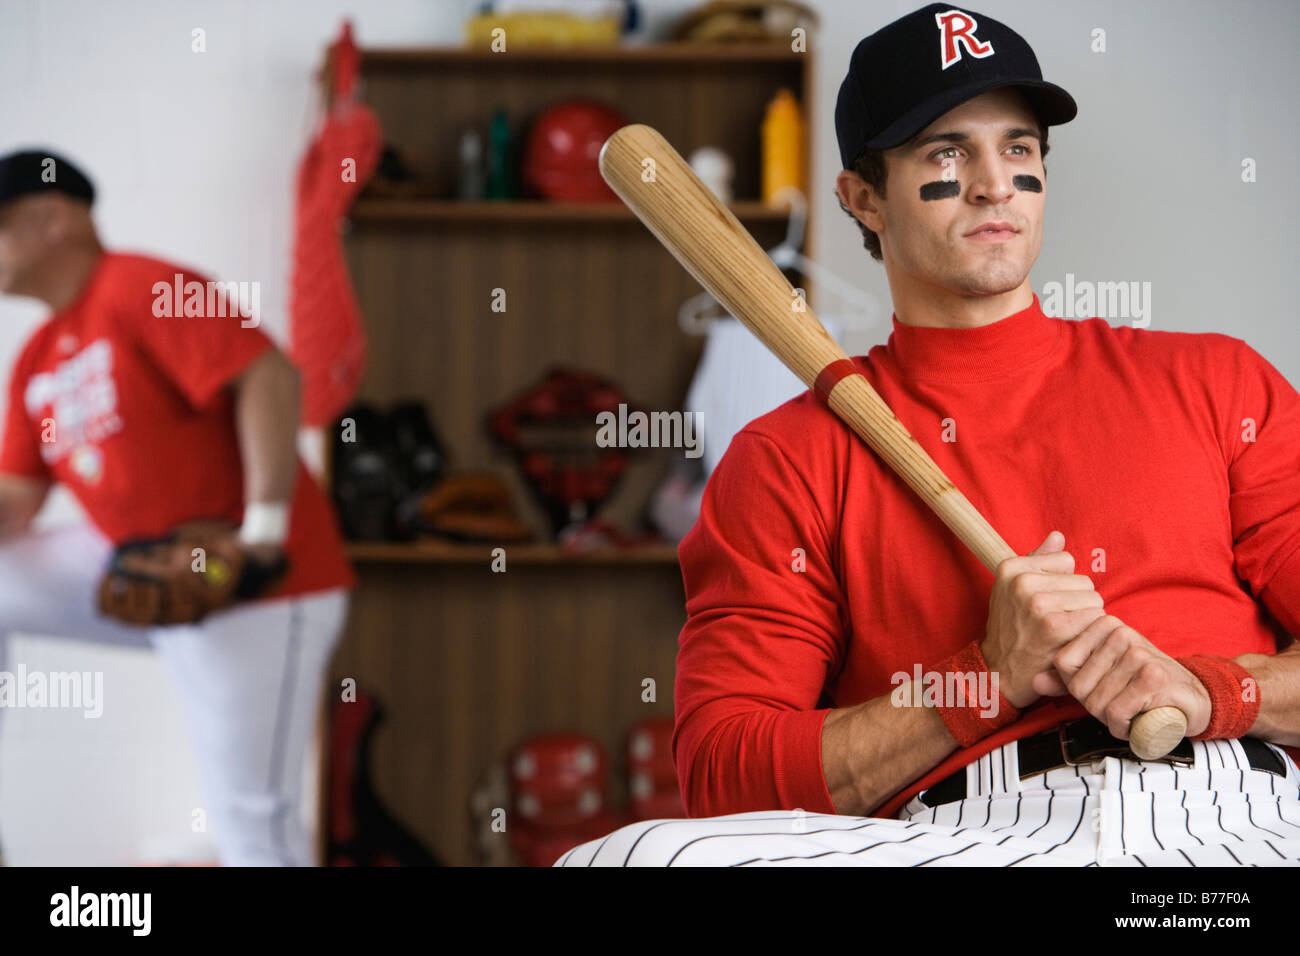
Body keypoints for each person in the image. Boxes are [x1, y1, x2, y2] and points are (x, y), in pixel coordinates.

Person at [559, 4, 1300, 866]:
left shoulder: (1217, 382)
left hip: (1227, 801)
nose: (992, 183)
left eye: (1017, 148)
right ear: (862, 198)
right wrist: (982, 677)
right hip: (970, 831)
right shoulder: (788, 456)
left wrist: (1212, 689)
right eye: (946, 152)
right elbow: (724, 777)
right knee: (628, 859)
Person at [0, 148, 355, 866]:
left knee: (253, 826)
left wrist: (262, 531)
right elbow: (16, 499)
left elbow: (268, 374)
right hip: (147, 564)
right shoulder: (39, 354)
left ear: (48, 216)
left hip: (255, 586)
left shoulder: (140, 286)